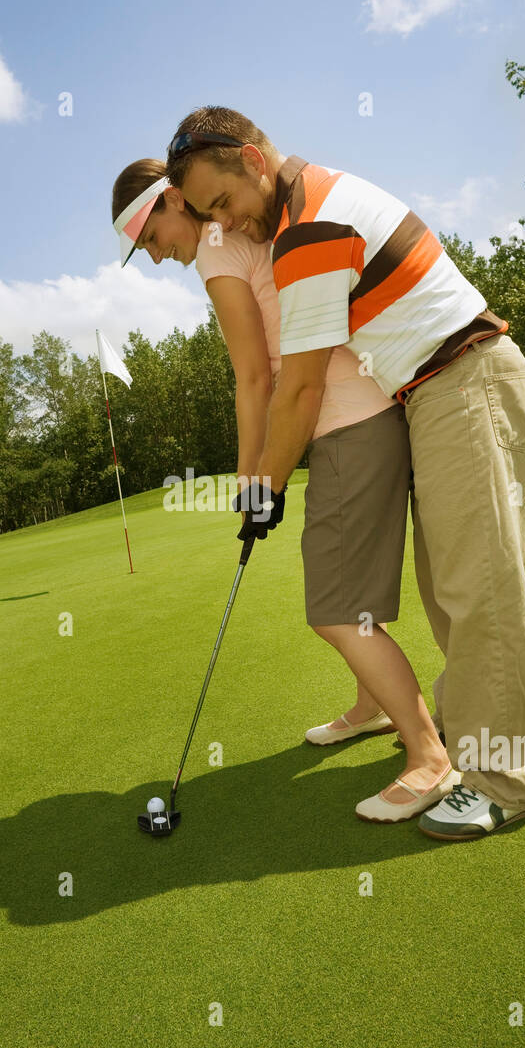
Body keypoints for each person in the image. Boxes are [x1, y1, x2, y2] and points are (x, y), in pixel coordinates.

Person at [165, 106, 525, 842]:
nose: (228, 222)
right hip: (435, 392)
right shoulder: (303, 207)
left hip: (464, 382)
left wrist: (265, 489)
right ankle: (475, 748)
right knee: (454, 593)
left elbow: (300, 388)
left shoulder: (308, 228)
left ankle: (507, 782)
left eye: (223, 203)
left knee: (480, 590)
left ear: (252, 161)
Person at [112, 158, 457, 822]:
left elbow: (252, 378)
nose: (157, 257)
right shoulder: (241, 228)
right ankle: (371, 709)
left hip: (346, 421)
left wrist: (254, 483)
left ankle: (429, 755)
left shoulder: (215, 248)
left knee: (333, 606)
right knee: (345, 592)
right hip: (358, 412)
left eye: (150, 240)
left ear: (170, 205)